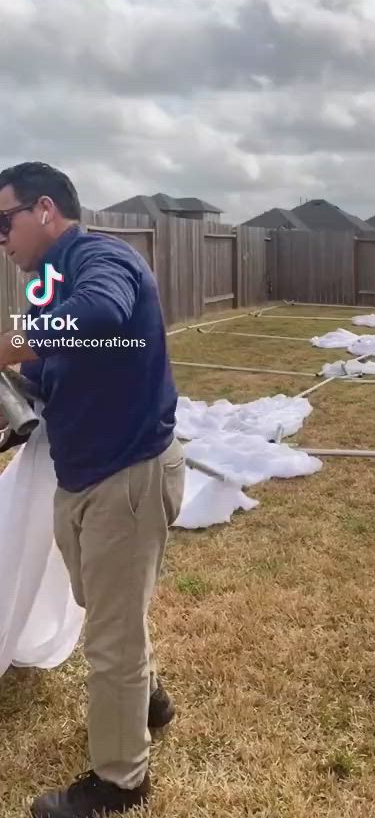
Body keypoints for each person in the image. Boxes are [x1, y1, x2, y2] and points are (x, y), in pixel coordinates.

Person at [0, 162, 185, 818]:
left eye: (5, 222)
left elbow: (102, 316)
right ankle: (149, 697)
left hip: (126, 477)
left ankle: (120, 781)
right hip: (84, 476)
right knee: (102, 605)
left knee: (109, 631)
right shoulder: (50, 282)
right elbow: (61, 364)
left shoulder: (105, 258)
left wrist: (11, 344)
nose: (1, 239)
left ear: (44, 210)